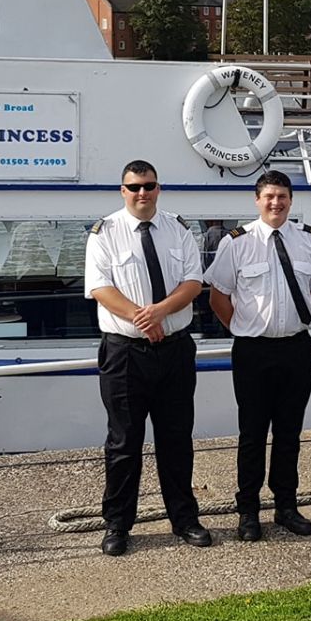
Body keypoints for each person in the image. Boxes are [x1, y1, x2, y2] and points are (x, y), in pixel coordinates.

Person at [83, 160, 212, 556]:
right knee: (124, 442)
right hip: (125, 354)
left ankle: (184, 519)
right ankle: (118, 524)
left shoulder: (179, 229)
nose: (143, 193)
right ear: (123, 190)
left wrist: (159, 313)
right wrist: (144, 317)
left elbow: (194, 282)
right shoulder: (104, 233)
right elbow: (100, 287)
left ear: (159, 188)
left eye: (149, 186)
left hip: (174, 351)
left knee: (176, 439)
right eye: (134, 187)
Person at [204, 170, 311, 542]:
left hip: (295, 348)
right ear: (257, 201)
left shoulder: (309, 242)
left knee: (290, 432)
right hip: (252, 351)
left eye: (283, 197)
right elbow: (218, 297)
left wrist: (290, 322)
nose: (276, 203)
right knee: (252, 434)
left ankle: (286, 506)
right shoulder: (236, 243)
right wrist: (245, 326)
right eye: (269, 197)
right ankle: (248, 512)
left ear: (291, 201)